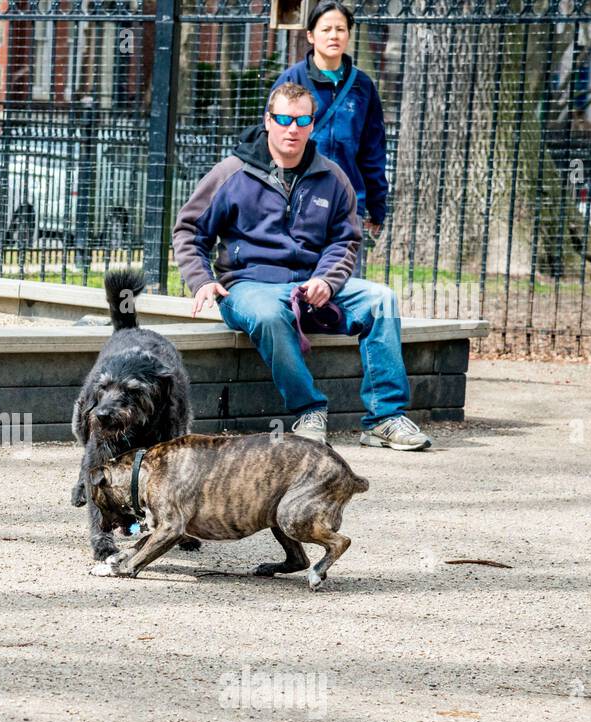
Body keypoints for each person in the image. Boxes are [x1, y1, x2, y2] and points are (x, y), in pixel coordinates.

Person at [171, 81, 431, 451]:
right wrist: (201, 281)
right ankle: (308, 410)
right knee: (268, 315)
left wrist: (327, 279)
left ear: (312, 124)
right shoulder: (231, 172)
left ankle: (385, 418)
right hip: (248, 286)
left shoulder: (333, 177)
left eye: (302, 119)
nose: (292, 128)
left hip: (312, 288)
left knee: (380, 299)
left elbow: (345, 240)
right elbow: (189, 230)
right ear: (268, 121)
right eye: (283, 118)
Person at [272, 1, 387, 273]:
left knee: (344, 284)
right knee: (296, 282)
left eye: (340, 29)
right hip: (297, 199)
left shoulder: (363, 86)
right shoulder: (292, 79)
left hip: (348, 202)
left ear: (349, 34)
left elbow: (373, 150)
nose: (334, 35)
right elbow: (271, 138)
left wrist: (376, 204)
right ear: (311, 35)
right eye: (326, 29)